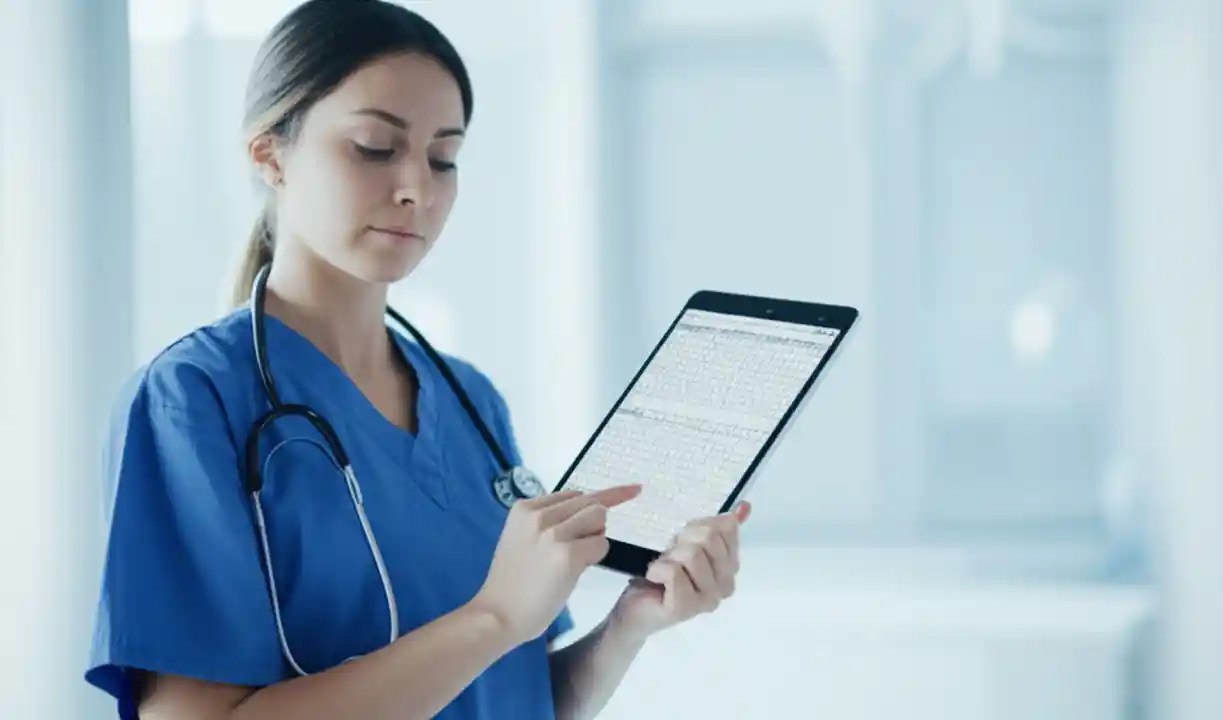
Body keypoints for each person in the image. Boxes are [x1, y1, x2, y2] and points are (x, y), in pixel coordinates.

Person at [85, 1, 750, 718]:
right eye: (375, 146)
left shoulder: (469, 400)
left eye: (444, 157)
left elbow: (513, 695)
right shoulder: (192, 402)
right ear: (270, 154)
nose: (418, 189)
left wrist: (631, 624)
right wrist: (493, 617)